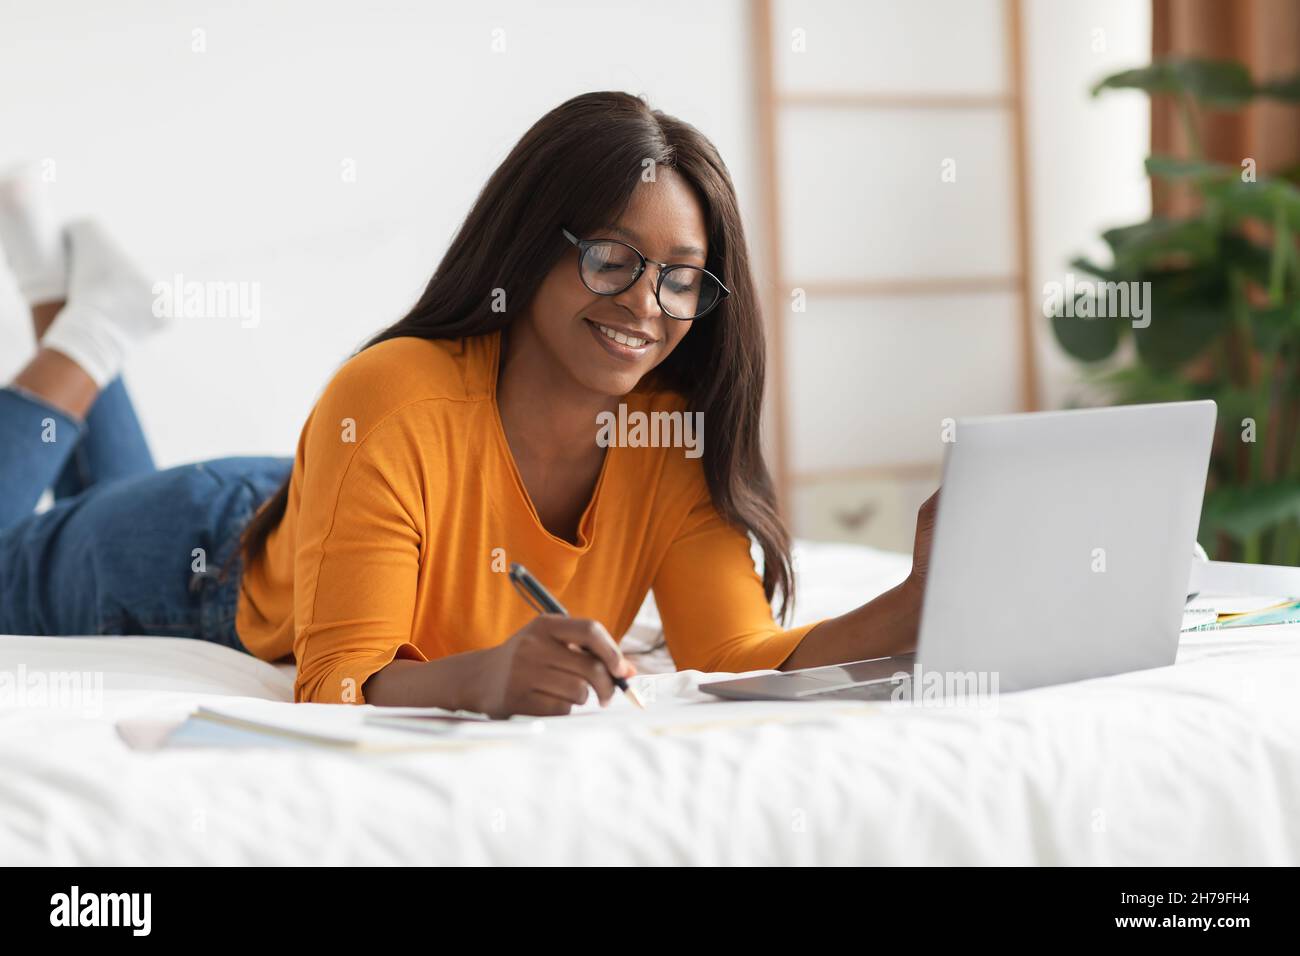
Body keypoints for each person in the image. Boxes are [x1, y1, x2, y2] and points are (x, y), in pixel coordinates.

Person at [0, 91, 936, 717]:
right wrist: (487, 676)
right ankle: (90, 335)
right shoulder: (394, 396)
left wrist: (922, 599)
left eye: (684, 280)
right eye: (610, 258)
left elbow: (732, 655)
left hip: (332, 505)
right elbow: (335, 684)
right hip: (193, 557)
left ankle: (73, 302)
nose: (647, 306)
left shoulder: (669, 434)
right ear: (532, 244)